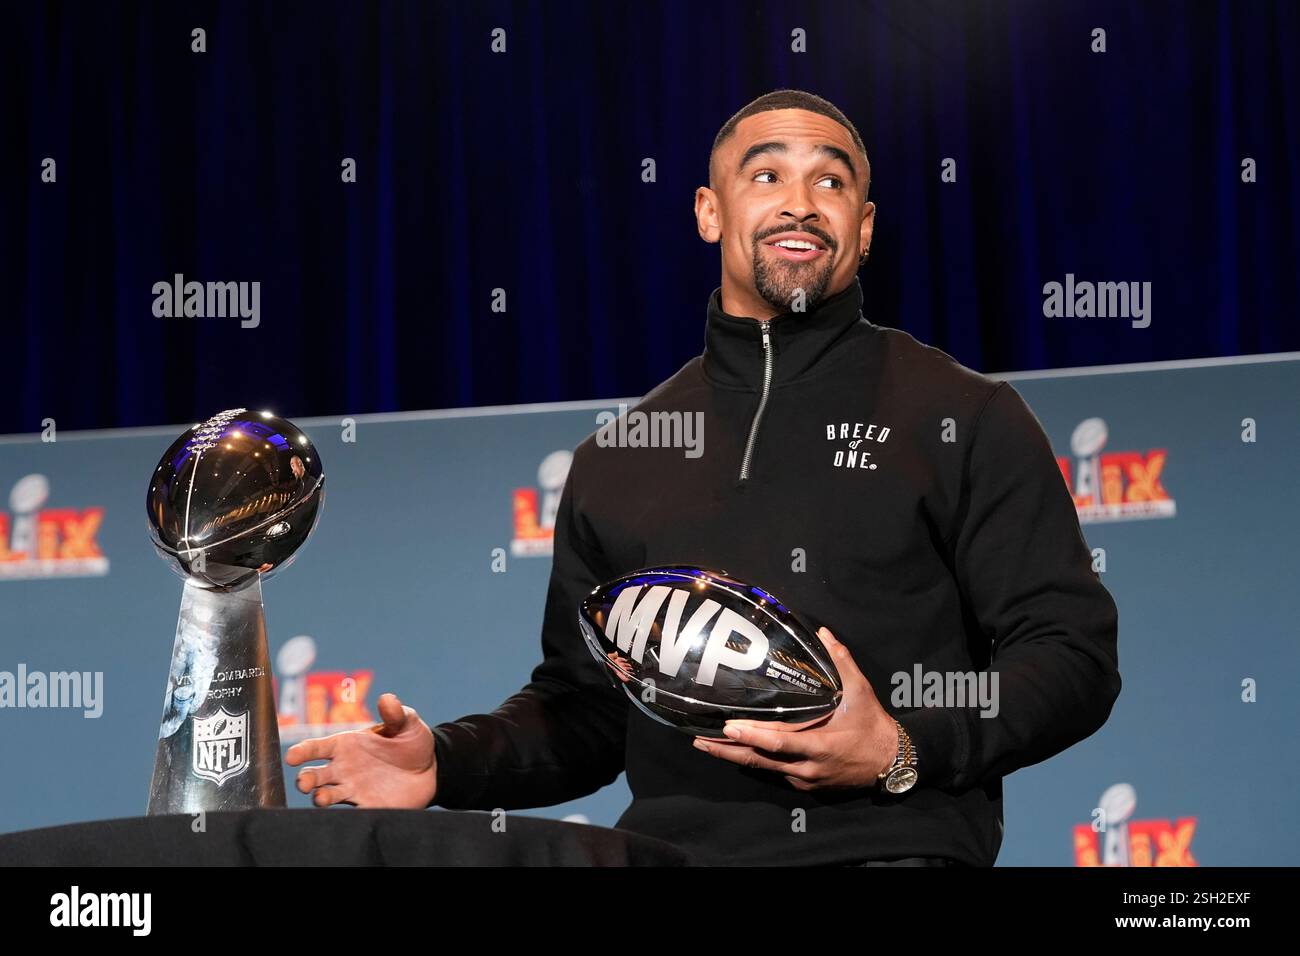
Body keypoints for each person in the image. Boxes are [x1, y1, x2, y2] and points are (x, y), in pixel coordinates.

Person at [286, 89, 1121, 866]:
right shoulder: (622, 456)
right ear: (708, 211)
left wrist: (901, 748)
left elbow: (1071, 654)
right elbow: (590, 709)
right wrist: (448, 764)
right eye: (766, 174)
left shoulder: (962, 415)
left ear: (863, 229)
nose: (799, 200)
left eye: (829, 180)